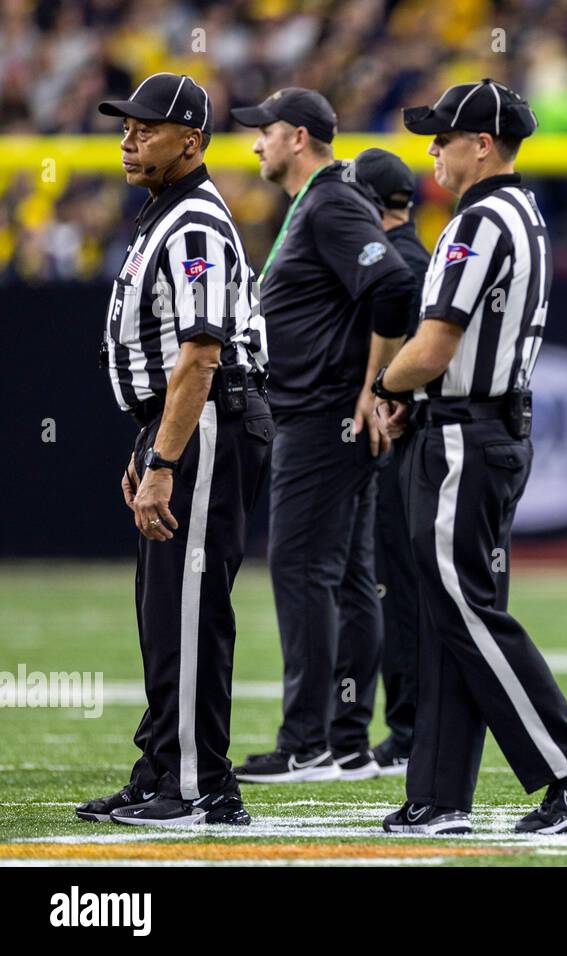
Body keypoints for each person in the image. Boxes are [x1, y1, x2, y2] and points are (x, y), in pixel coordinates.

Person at [373, 79, 567, 835]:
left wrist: (386, 386)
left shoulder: (478, 221)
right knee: (448, 607)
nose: (433, 151)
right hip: (480, 428)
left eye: (443, 137)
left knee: (461, 604)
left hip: (463, 431)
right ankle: (441, 792)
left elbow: (436, 343)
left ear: (481, 143)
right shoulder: (521, 213)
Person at [76, 73, 272, 826]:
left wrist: (164, 458)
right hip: (182, 422)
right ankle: (163, 764)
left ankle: (196, 784)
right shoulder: (166, 212)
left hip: (208, 421)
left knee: (188, 607)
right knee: (164, 609)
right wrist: (150, 441)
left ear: (190, 140)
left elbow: (200, 355)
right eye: (124, 126)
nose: (128, 138)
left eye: (145, 128)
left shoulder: (193, 222)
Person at [229, 89, 417, 783]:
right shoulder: (323, 202)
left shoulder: (332, 200)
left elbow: (393, 286)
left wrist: (376, 383)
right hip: (324, 411)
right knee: (345, 577)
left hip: (322, 414)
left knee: (303, 570)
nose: (256, 144)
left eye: (266, 132)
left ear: (299, 137)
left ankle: (307, 741)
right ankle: (340, 739)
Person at [352, 147, 430, 775]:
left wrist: (383, 391)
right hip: (407, 439)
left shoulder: (397, 263)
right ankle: (405, 724)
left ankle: (408, 728)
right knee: (392, 585)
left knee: (397, 586)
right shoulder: (412, 254)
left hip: (400, 439)